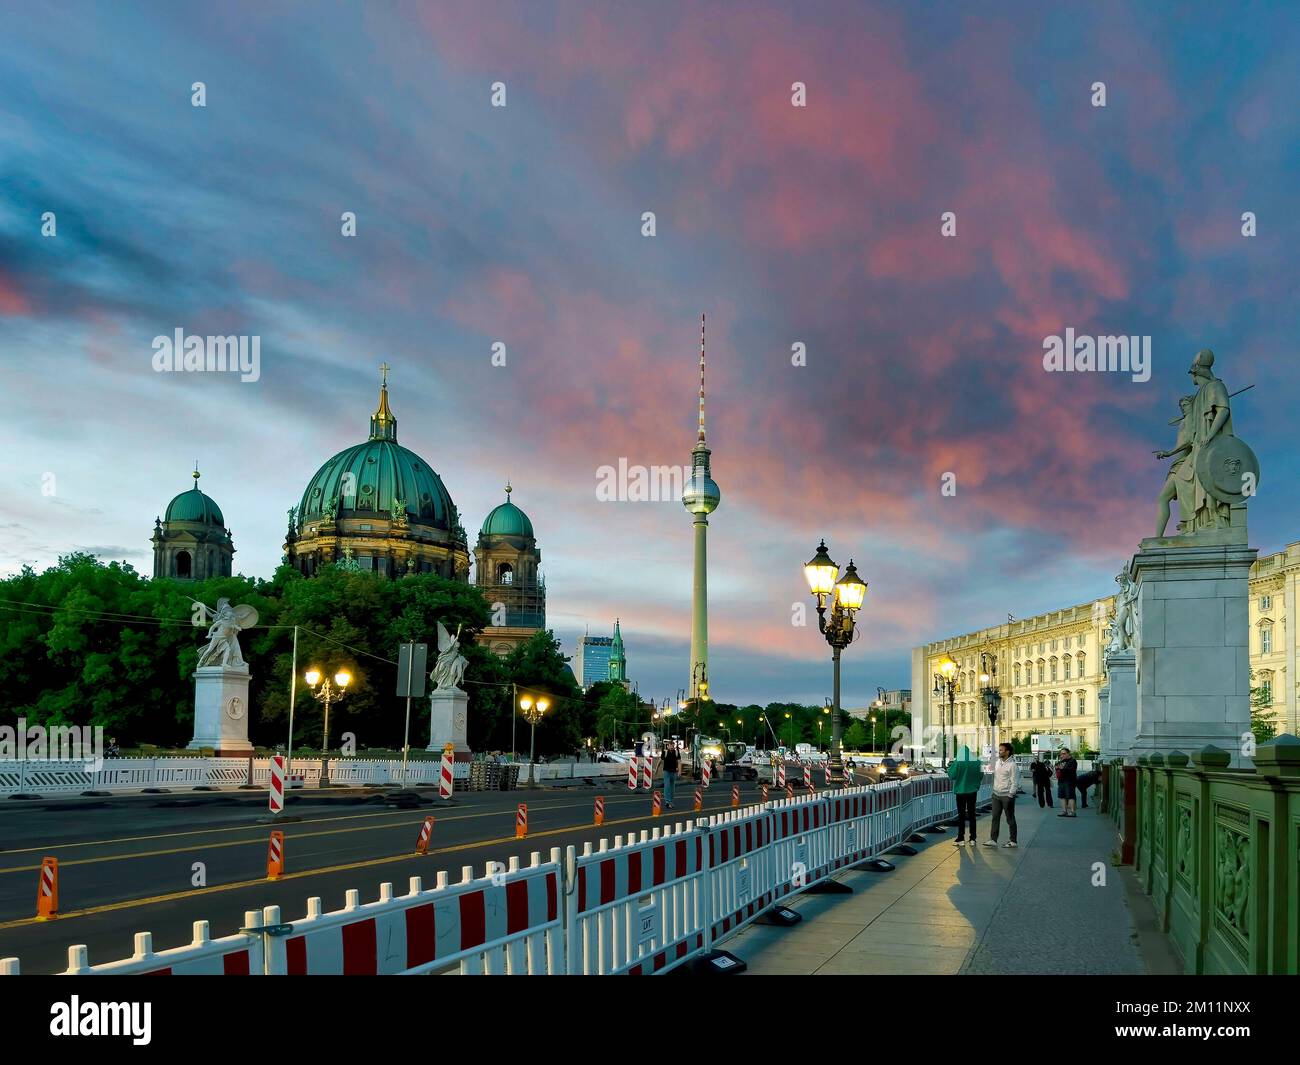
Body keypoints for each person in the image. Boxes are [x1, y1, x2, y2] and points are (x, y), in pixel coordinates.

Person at [945, 744, 983, 846]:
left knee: (961, 815)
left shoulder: (958, 761)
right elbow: (981, 775)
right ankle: (973, 838)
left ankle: (961, 838)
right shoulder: (977, 762)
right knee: (972, 815)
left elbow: (952, 775)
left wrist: (951, 767)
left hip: (960, 792)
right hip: (972, 792)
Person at [984, 742, 1019, 848]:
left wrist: (1010, 795)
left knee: (1010, 818)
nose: (999, 752)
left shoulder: (1012, 765)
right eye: (999, 750)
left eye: (1001, 750)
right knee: (995, 817)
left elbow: (1015, 782)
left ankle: (1013, 841)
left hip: (1006, 795)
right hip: (996, 794)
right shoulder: (998, 762)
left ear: (1007, 752)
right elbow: (989, 770)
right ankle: (993, 840)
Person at [1056, 748, 1078, 817]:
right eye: (1061, 754)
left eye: (1064, 753)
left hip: (1069, 781)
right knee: (1062, 796)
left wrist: (1062, 768)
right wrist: (1058, 766)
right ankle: (1064, 811)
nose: (1062, 755)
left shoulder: (1073, 761)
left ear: (1068, 754)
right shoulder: (1061, 761)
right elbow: (1057, 768)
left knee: (1070, 796)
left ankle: (1072, 812)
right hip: (1061, 781)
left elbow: (1071, 770)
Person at [662, 742, 680, 809]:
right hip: (666, 771)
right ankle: (667, 801)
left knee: (672, 787)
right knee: (667, 786)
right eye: (670, 746)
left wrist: (679, 771)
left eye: (673, 746)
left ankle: (671, 801)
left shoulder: (676, 752)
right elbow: (661, 760)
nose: (672, 747)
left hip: (674, 772)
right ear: (667, 746)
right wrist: (657, 769)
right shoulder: (665, 752)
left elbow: (679, 762)